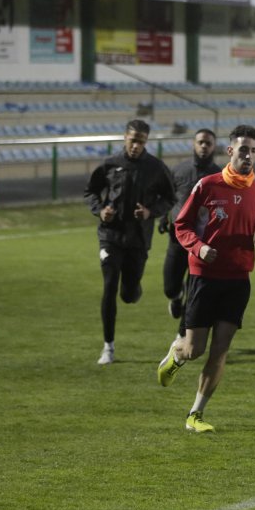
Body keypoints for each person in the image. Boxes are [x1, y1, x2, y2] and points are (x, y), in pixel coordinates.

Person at [156, 125, 255, 433]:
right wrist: (199, 247)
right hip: (204, 277)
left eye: (254, 151)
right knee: (194, 350)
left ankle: (196, 414)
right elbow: (182, 225)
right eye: (244, 149)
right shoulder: (207, 186)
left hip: (238, 280)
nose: (249, 155)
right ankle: (177, 353)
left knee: (221, 349)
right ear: (230, 150)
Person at [83, 119, 175, 365]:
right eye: (133, 140)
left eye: (141, 142)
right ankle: (108, 347)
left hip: (138, 239)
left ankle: (133, 288)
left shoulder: (156, 168)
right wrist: (101, 211)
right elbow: (91, 192)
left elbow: (169, 198)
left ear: (146, 141)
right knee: (109, 285)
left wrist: (150, 212)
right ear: (125, 137)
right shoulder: (110, 164)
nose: (136, 146)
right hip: (110, 236)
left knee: (128, 294)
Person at [161, 129, 220, 323]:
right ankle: (176, 297)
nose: (204, 146)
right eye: (200, 142)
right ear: (193, 144)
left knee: (195, 289)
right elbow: (167, 197)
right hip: (177, 237)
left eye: (208, 143)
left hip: (203, 241)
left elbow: (223, 206)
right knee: (170, 287)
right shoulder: (179, 170)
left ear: (214, 147)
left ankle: (183, 334)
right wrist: (163, 218)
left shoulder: (220, 175)